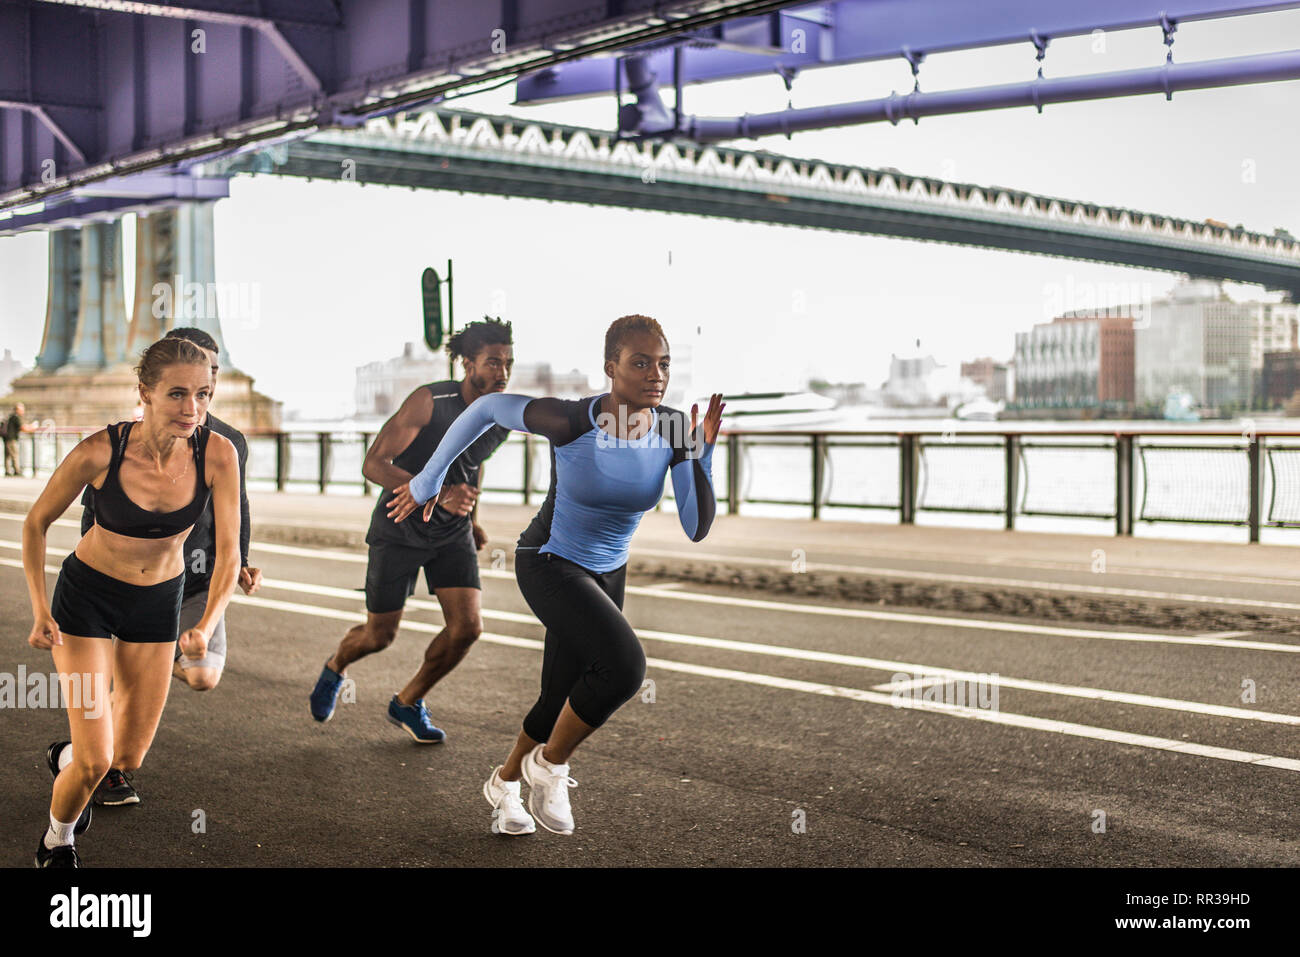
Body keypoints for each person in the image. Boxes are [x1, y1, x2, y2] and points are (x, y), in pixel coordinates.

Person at [387, 314, 723, 836]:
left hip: (608, 572)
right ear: (611, 368)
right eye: (640, 363)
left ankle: (503, 785)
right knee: (624, 666)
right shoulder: (572, 419)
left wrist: (702, 454)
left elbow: (696, 524)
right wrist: (429, 480)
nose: (656, 374)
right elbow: (487, 410)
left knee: (557, 695)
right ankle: (550, 765)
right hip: (549, 559)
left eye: (663, 364)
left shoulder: (676, 427)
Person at [22, 336, 242, 867]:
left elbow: (230, 555)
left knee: (125, 756)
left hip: (156, 604)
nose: (192, 409)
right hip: (87, 601)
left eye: (204, 395)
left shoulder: (217, 454)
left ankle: (67, 758)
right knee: (99, 761)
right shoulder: (102, 450)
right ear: (144, 392)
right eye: (177, 395)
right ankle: (58, 842)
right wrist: (39, 608)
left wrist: (207, 624)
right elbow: (35, 524)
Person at [77, 327, 261, 807]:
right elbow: (94, 506)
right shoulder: (124, 440)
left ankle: (108, 736)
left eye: (212, 377)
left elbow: (237, 508)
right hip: (130, 579)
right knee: (128, 683)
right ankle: (106, 770)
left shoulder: (228, 442)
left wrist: (241, 558)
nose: (202, 390)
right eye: (183, 386)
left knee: (202, 675)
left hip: (198, 578)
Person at [309, 318, 514, 743]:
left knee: (468, 629)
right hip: (400, 527)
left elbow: (473, 466)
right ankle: (335, 668)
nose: (502, 373)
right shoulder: (429, 401)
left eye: (508, 363)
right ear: (466, 362)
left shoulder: (501, 416)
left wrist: (472, 521)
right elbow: (374, 464)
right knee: (378, 636)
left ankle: (407, 702)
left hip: (450, 533)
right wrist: (438, 497)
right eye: (492, 362)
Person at [5, 402, 28, 476]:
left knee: (8, 456)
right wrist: (32, 427)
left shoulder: (11, 417)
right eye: (22, 410)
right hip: (12, 439)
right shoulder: (16, 417)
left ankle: (8, 471)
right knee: (15, 455)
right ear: (17, 410)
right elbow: (22, 427)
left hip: (7, 439)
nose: (23, 412)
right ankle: (17, 471)